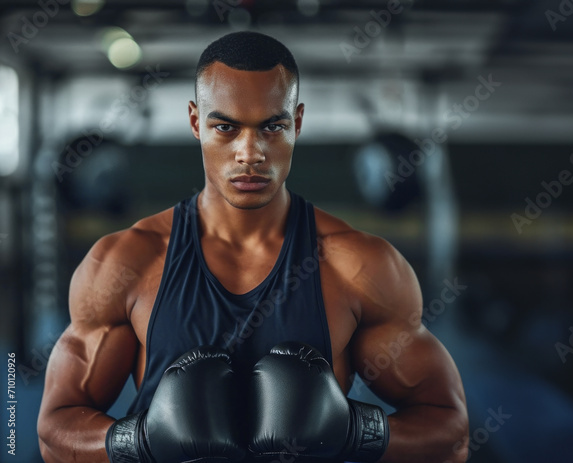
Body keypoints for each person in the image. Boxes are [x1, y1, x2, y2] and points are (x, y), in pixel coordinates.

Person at [37, 31, 469, 463]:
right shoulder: (123, 262)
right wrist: (140, 440)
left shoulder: (360, 265)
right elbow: (54, 436)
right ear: (195, 122)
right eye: (225, 127)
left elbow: (450, 436)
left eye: (272, 126)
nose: (250, 153)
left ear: (297, 123)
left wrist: (355, 431)